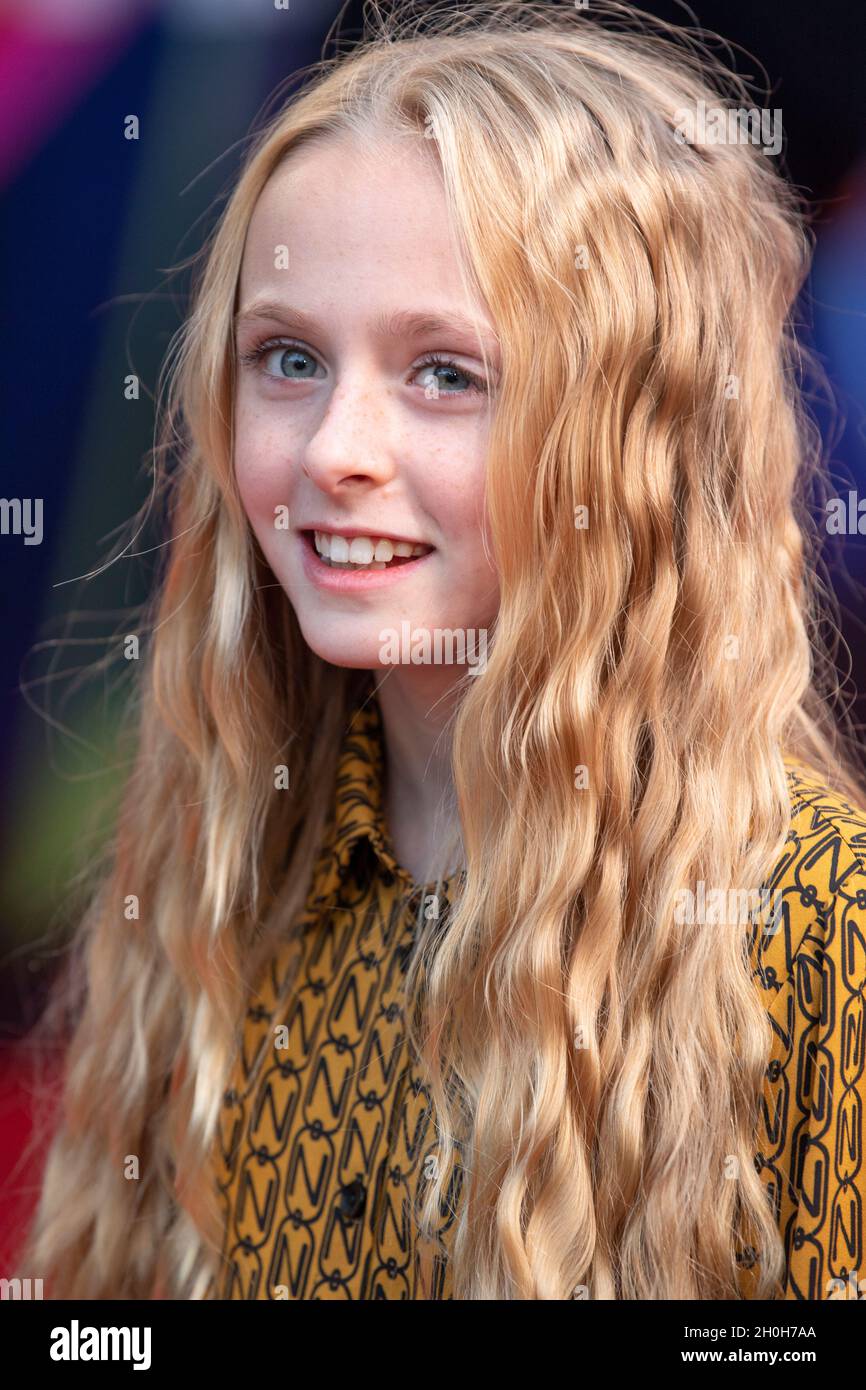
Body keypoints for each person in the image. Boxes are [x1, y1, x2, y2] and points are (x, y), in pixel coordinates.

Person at [17, 0, 866, 1300]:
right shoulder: (219, 858)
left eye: (445, 375)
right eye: (287, 358)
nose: (334, 447)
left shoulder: (807, 925)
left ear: (628, 436)